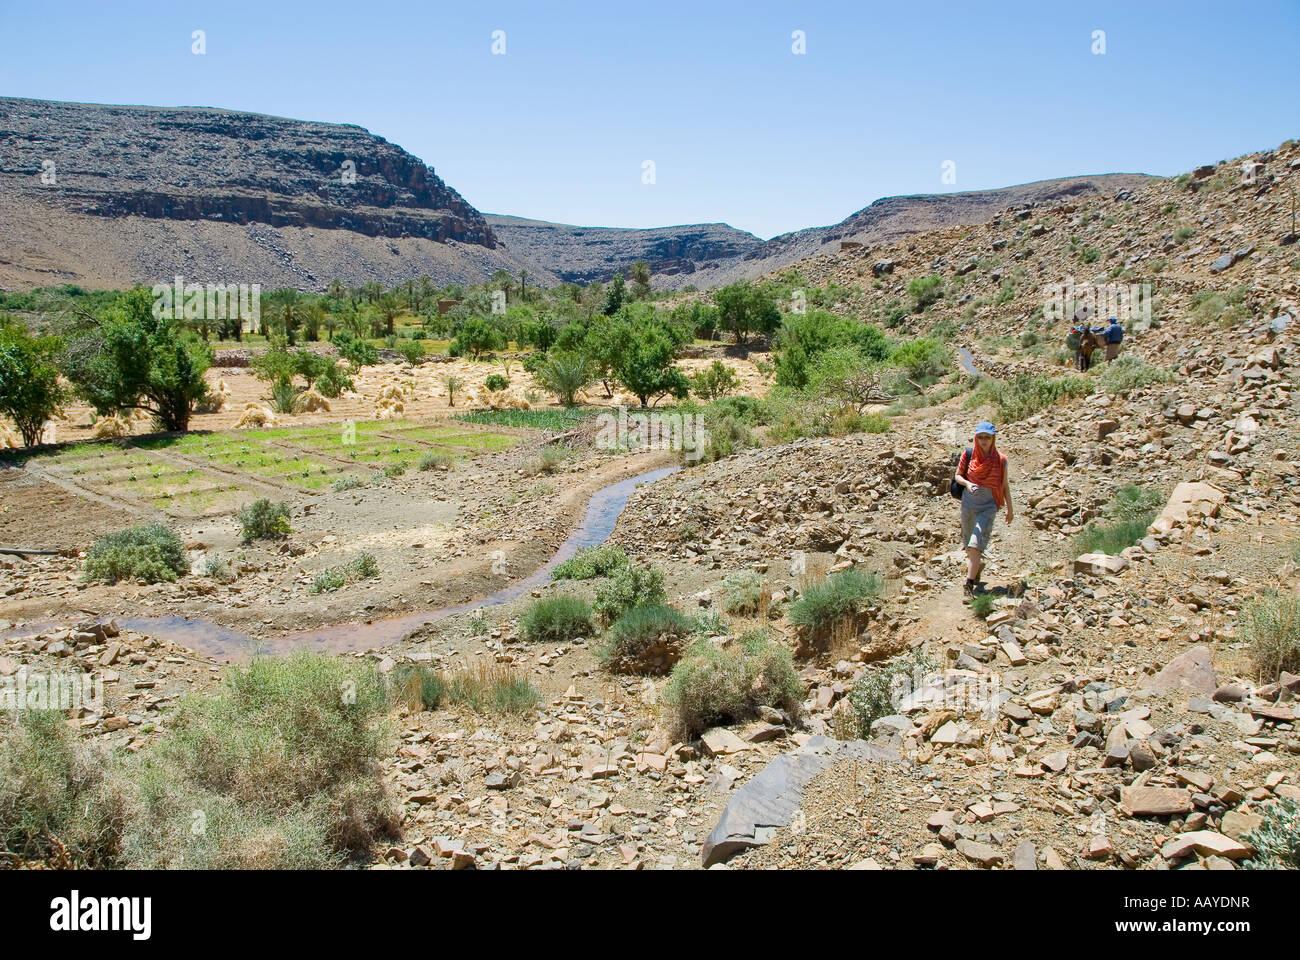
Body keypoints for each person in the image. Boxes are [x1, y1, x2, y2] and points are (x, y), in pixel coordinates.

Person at [953, 421, 1012, 595]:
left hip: (988, 505)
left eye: (987, 437)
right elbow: (957, 476)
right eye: (981, 437)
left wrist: (1010, 509)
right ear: (976, 438)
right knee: (969, 543)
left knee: (976, 543)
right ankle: (976, 567)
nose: (984, 441)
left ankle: (968, 585)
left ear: (993, 438)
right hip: (969, 503)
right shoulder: (969, 455)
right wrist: (968, 484)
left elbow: (1005, 485)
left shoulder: (1001, 460)